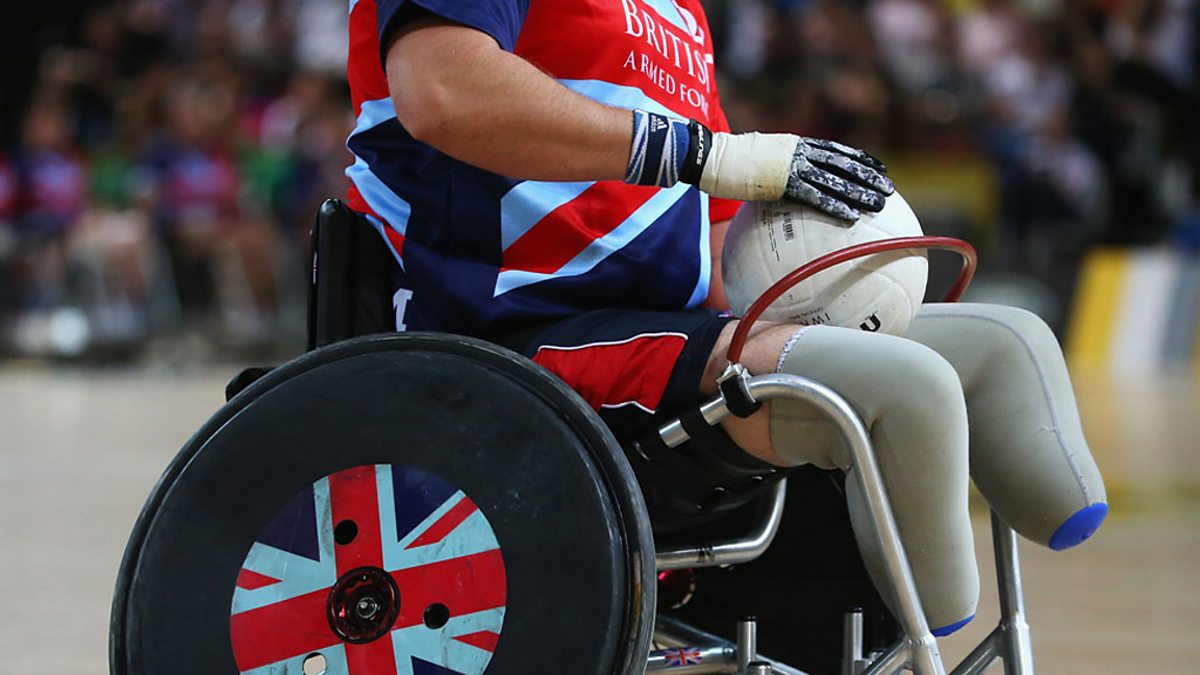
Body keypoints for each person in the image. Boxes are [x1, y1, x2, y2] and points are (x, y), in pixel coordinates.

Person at [344, 1, 1107, 671]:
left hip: (672, 330)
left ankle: (1022, 581)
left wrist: (833, 259)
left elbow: (712, 241)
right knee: (901, 388)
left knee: (1006, 342)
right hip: (517, 338)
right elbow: (440, 92)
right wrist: (710, 155)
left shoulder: (678, 13)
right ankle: (930, 646)